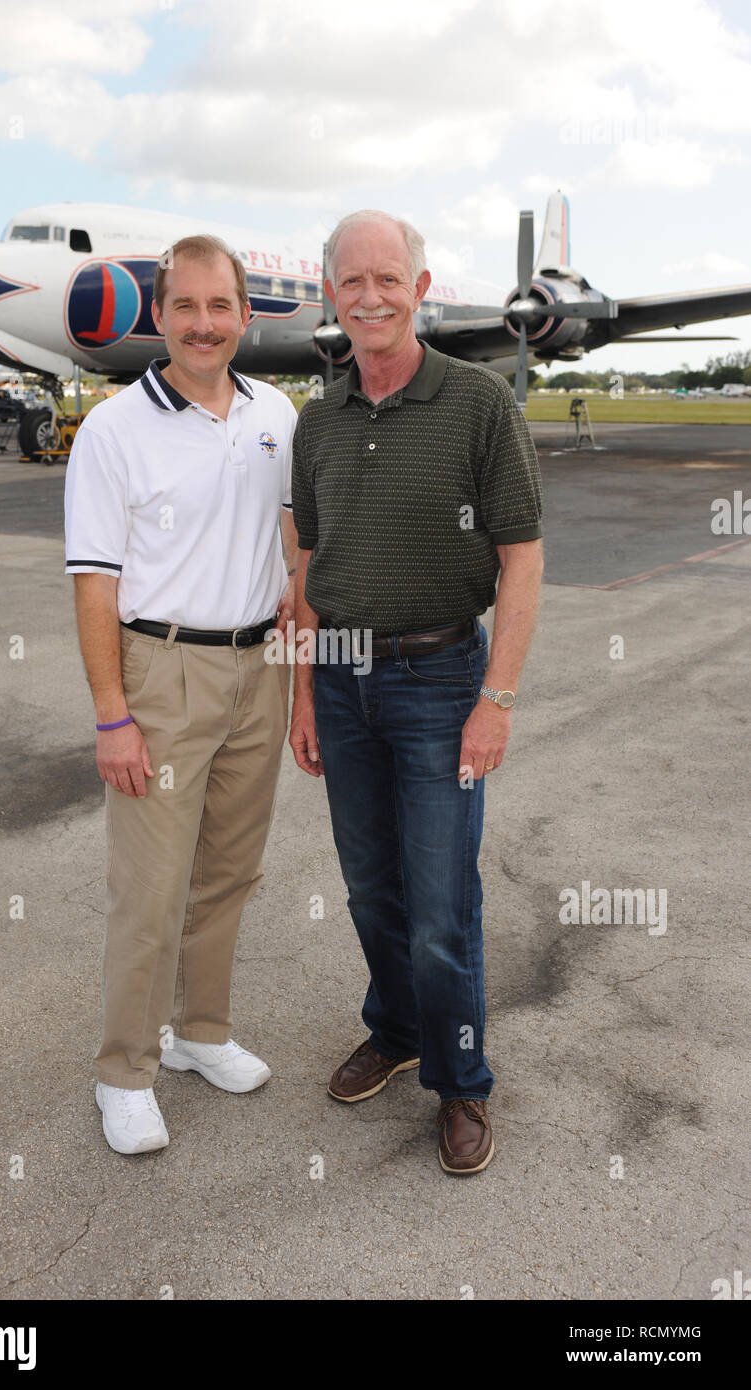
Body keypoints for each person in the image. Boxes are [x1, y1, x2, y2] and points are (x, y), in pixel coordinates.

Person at [290, 210, 543, 1174]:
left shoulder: (478, 401)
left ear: (420, 290)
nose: (370, 297)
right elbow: (309, 560)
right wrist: (304, 697)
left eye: (388, 279)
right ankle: (396, 1031)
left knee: (442, 902)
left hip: (442, 678)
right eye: (351, 281)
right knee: (369, 889)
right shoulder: (319, 418)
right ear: (331, 296)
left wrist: (498, 696)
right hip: (341, 680)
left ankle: (462, 1082)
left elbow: (521, 557)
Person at [64, 235, 297, 1155]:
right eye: (186, 306)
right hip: (161, 672)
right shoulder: (115, 429)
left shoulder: (276, 411)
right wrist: (113, 715)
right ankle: (123, 1069)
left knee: (231, 872)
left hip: (257, 669)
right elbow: (93, 585)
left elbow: (290, 537)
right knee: (151, 887)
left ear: (245, 314)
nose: (204, 324)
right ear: (160, 317)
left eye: (221, 306)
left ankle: (201, 1033)